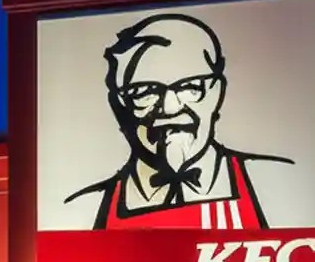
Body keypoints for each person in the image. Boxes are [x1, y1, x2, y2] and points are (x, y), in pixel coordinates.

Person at [65, 13, 297, 231]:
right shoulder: (87, 207)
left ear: (217, 92)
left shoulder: (268, 182)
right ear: (118, 105)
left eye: (189, 87)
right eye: (144, 91)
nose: (169, 108)